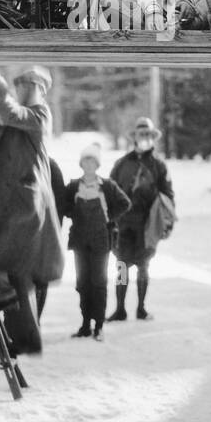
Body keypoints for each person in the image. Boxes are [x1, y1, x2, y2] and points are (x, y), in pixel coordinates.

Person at [0, 67, 65, 355]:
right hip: (11, 204)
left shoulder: (39, 114)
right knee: (11, 270)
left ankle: (20, 331)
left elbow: (8, 113)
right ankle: (21, 334)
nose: (22, 89)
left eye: (27, 84)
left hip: (23, 205)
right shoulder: (25, 116)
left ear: (41, 88)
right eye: (18, 85)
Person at [107, 118, 173, 322]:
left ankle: (141, 308)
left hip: (147, 224)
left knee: (144, 266)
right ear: (134, 138)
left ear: (152, 138)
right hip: (123, 224)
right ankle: (120, 309)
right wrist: (109, 220)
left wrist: (167, 222)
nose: (144, 138)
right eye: (140, 134)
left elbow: (168, 195)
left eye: (147, 135)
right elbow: (109, 192)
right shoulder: (121, 164)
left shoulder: (159, 166)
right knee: (122, 266)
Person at [61, 145, 129, 341]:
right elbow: (64, 205)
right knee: (82, 283)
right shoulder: (74, 186)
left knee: (99, 283)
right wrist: (73, 213)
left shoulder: (107, 186)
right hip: (80, 241)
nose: (89, 165)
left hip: (101, 240)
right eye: (85, 161)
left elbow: (125, 204)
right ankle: (84, 325)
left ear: (97, 165)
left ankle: (99, 326)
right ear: (81, 164)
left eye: (92, 161)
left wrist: (109, 218)